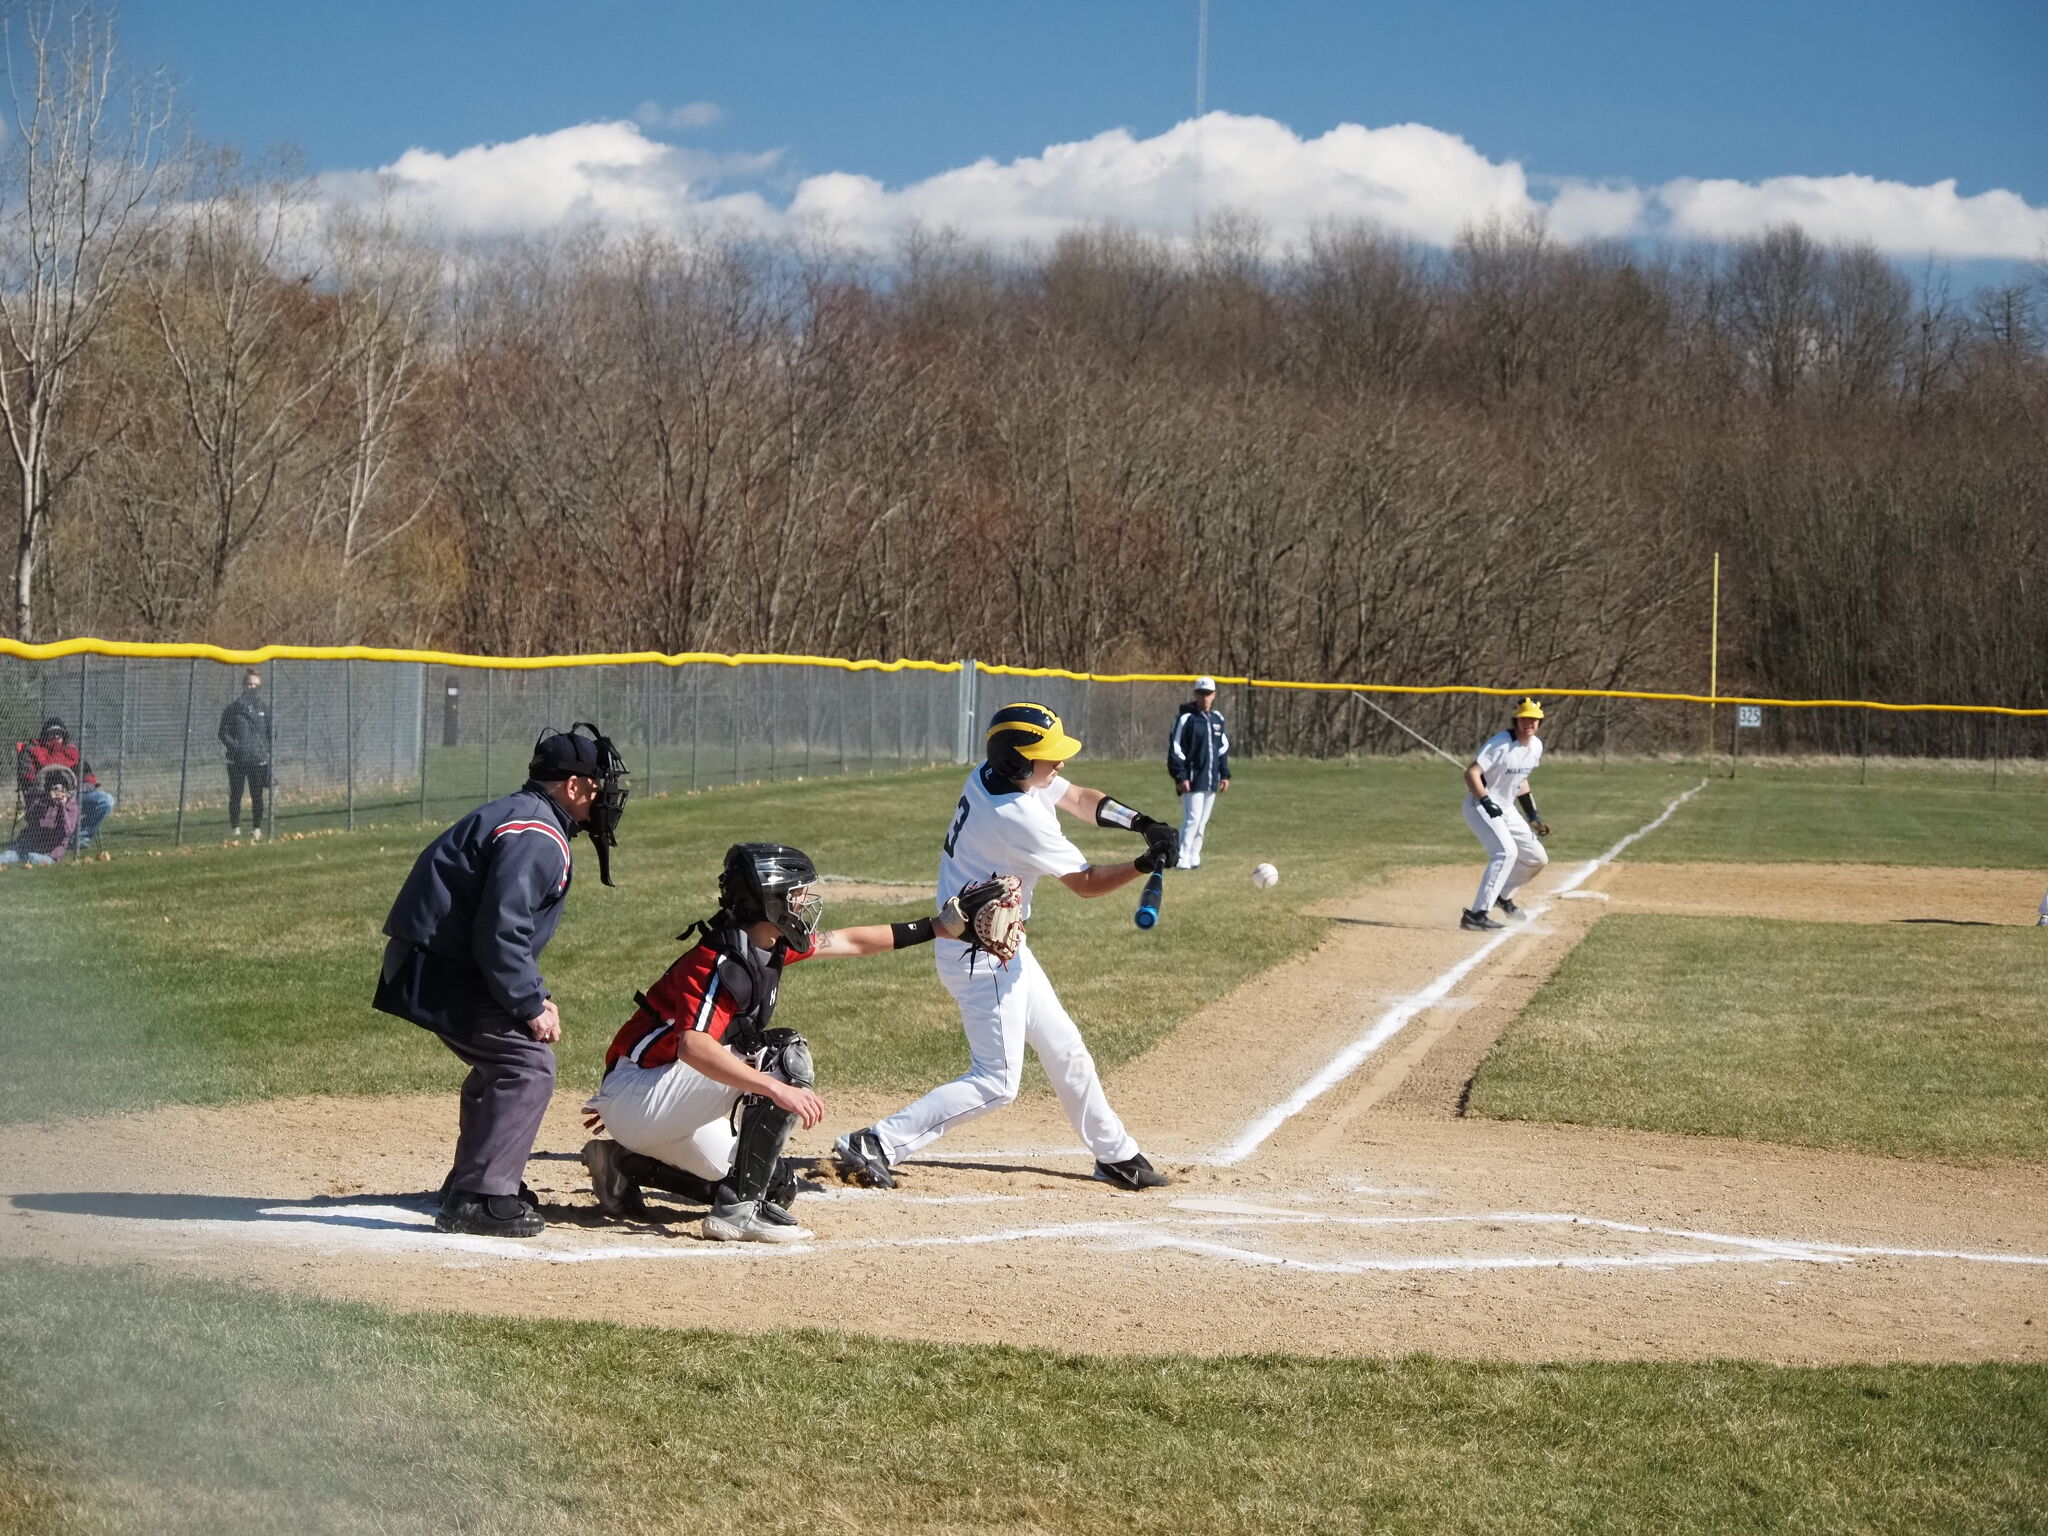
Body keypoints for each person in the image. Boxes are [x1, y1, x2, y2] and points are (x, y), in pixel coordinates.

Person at [833, 702, 1181, 1193]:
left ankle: (1116, 1154)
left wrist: (1142, 822)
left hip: (1004, 944)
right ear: (1019, 761)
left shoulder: (997, 775)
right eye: (1048, 757)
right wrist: (1143, 865)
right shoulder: (1015, 815)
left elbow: (1081, 799)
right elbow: (1084, 883)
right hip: (979, 957)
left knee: (1066, 1050)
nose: (1058, 764)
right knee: (996, 1081)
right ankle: (877, 1142)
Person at [580, 843, 995, 1243]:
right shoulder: (719, 961)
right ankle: (738, 1212)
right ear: (770, 899)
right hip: (642, 1094)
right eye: (795, 895)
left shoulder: (766, 945)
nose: (802, 904)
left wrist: (937, 928)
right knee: (783, 1054)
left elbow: (850, 941)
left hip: (649, 1100)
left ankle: (622, 1161)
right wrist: (775, 1087)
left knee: (774, 1185)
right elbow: (693, 1046)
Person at [373, 722, 629, 1239]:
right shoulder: (537, 832)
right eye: (598, 784)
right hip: (438, 965)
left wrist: (534, 994)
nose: (606, 796)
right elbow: (501, 929)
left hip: (439, 959)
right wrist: (530, 1002)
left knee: (505, 1061)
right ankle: (480, 1197)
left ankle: (475, 1181)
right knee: (525, 1064)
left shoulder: (528, 817)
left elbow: (498, 934)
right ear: (574, 786)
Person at [1459, 697, 1551, 932]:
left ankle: (1502, 895)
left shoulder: (1536, 746)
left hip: (1506, 808)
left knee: (1536, 858)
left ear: (1540, 722)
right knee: (1506, 852)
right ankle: (1477, 915)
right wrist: (1486, 800)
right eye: (1524, 718)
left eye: (1533, 719)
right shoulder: (1500, 743)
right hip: (1481, 806)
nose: (1528, 723)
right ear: (1516, 720)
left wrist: (1533, 814)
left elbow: (1521, 780)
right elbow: (1472, 773)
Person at [15, 717, 114, 851]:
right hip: (45, 799)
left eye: (59, 733)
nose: (56, 737)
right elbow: (27, 780)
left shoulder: (72, 752)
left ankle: (78, 839)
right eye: (52, 733)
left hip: (74, 795)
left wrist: (71, 792)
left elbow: (89, 779)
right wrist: (53, 792)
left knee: (106, 800)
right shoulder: (31, 750)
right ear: (44, 734)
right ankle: (55, 840)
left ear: (64, 735)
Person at [1167, 675, 1231, 870]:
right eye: (1201, 693)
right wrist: (1181, 775)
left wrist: (1225, 774)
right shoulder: (1186, 718)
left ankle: (1195, 854)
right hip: (1193, 778)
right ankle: (1182, 856)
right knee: (1192, 818)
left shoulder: (1217, 719)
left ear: (1214, 695)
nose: (1205, 698)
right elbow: (1176, 749)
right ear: (1195, 694)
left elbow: (1222, 749)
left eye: (1208, 694)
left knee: (1202, 821)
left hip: (1211, 778)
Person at [217, 670, 274, 841]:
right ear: (243, 685)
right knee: (236, 794)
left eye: (255, 684)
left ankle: (256, 828)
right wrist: (236, 747)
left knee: (257, 795)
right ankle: (235, 828)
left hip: (258, 760)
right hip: (237, 760)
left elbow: (272, 732)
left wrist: (265, 749)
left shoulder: (264, 708)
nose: (252, 687)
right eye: (249, 684)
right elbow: (223, 732)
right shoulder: (233, 709)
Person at [2, 764, 80, 867]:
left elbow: (68, 830)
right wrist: (48, 803)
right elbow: (33, 820)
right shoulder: (41, 801)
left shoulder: (71, 804)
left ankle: (25, 857)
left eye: (62, 789)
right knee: (7, 855)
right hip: (32, 843)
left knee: (32, 857)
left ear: (66, 790)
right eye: (55, 788)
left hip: (51, 850)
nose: (58, 791)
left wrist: (62, 806)